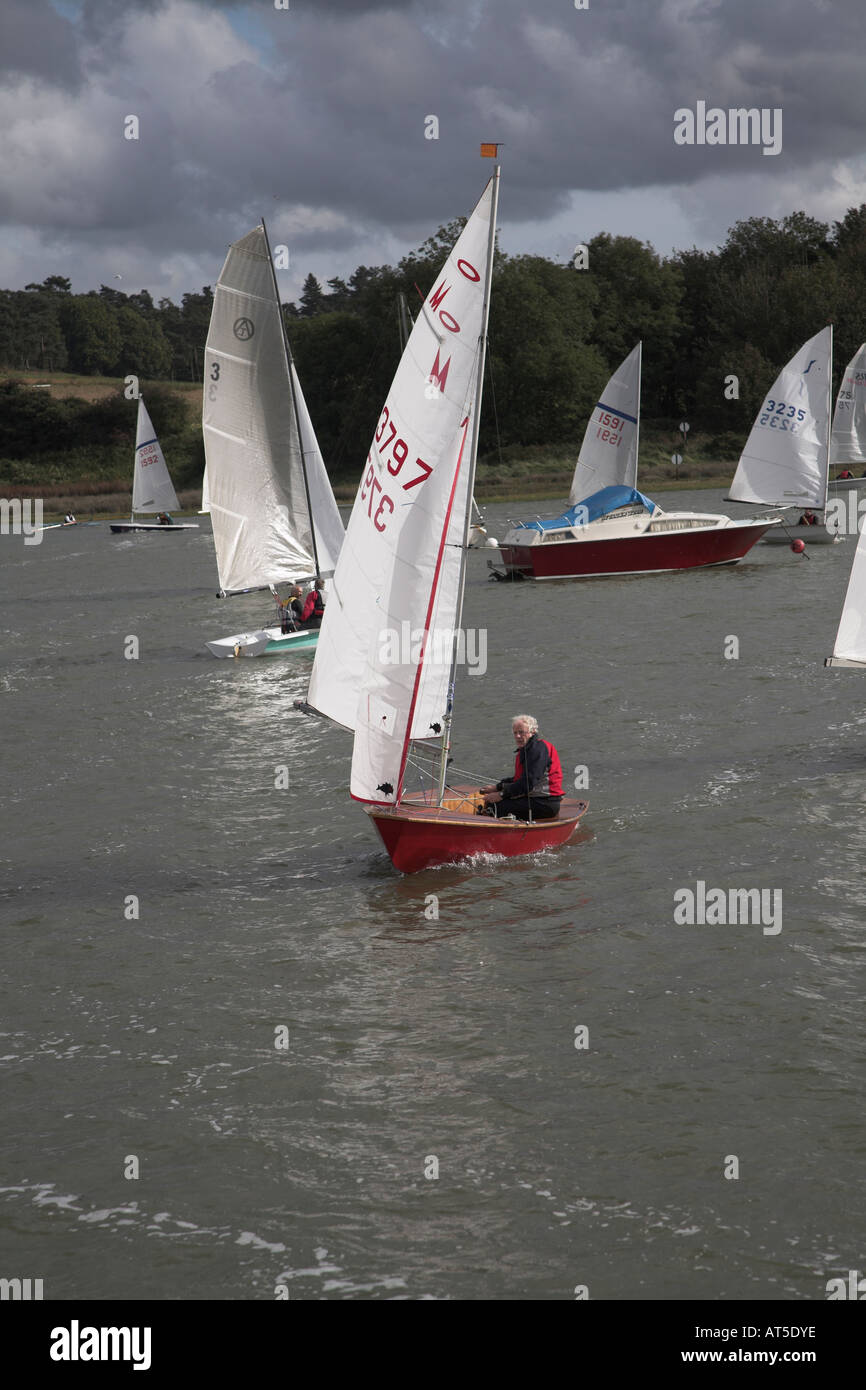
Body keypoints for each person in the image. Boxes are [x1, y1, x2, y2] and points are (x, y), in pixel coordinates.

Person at [478, 714, 563, 821]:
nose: (518, 736)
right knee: (492, 802)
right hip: (534, 799)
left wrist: (501, 794)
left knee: (495, 806)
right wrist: (498, 787)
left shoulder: (538, 750)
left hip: (545, 802)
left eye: (521, 732)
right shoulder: (527, 749)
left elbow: (528, 782)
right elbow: (518, 779)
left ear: (532, 732)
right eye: (515, 733)